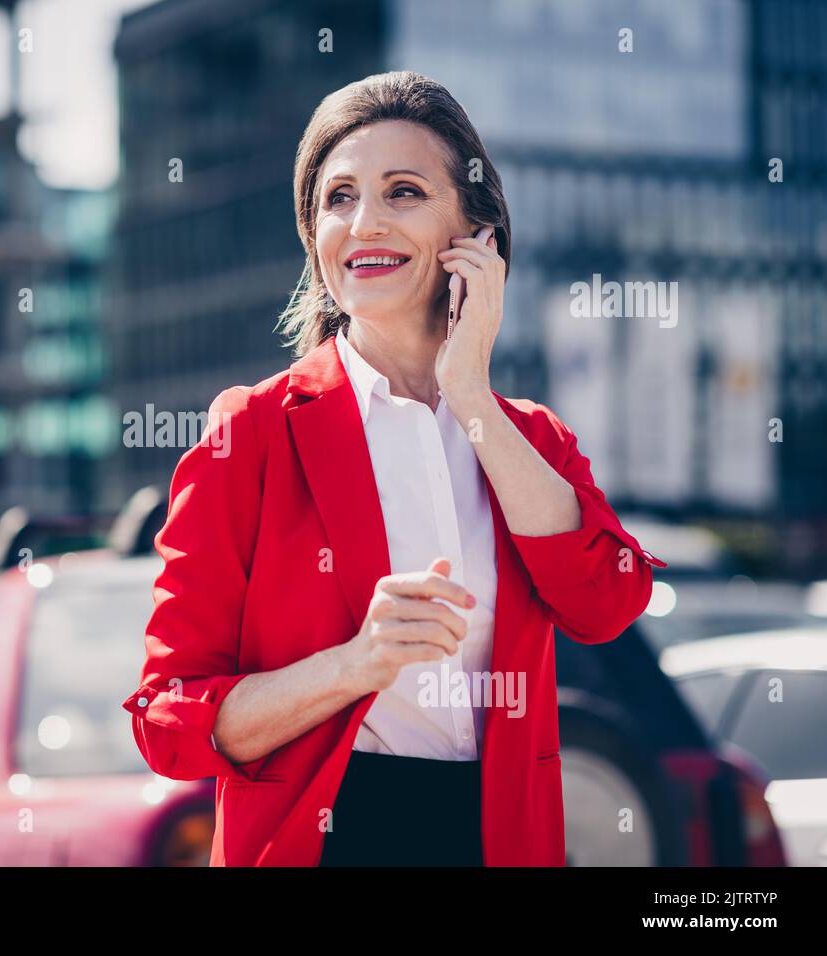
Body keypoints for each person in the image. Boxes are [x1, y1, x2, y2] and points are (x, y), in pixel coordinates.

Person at [122, 70, 666, 867]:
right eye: (338, 198)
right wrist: (356, 663)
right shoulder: (253, 433)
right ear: (314, 235)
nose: (363, 221)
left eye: (403, 191)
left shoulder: (531, 440)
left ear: (476, 236)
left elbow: (608, 601)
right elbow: (165, 720)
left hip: (499, 842)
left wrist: (470, 396)